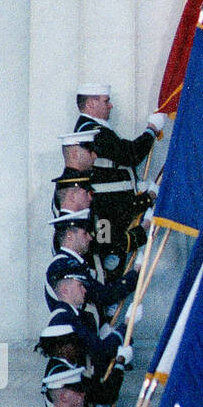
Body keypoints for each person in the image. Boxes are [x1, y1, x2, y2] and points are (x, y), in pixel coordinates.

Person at [73, 83, 164, 281]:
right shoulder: (93, 131)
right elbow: (130, 154)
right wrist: (151, 130)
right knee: (107, 255)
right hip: (106, 212)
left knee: (111, 256)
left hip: (110, 211)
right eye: (106, 101)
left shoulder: (95, 130)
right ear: (90, 104)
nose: (111, 106)